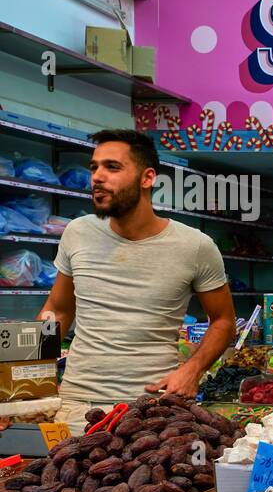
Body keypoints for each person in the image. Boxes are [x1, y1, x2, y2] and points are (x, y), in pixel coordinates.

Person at [37, 129, 236, 429]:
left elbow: (223, 320)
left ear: (147, 178)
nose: (97, 177)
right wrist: (22, 383)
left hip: (154, 407)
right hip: (78, 406)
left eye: (112, 167)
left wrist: (192, 369)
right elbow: (59, 309)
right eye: (94, 167)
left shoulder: (195, 246)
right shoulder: (77, 233)